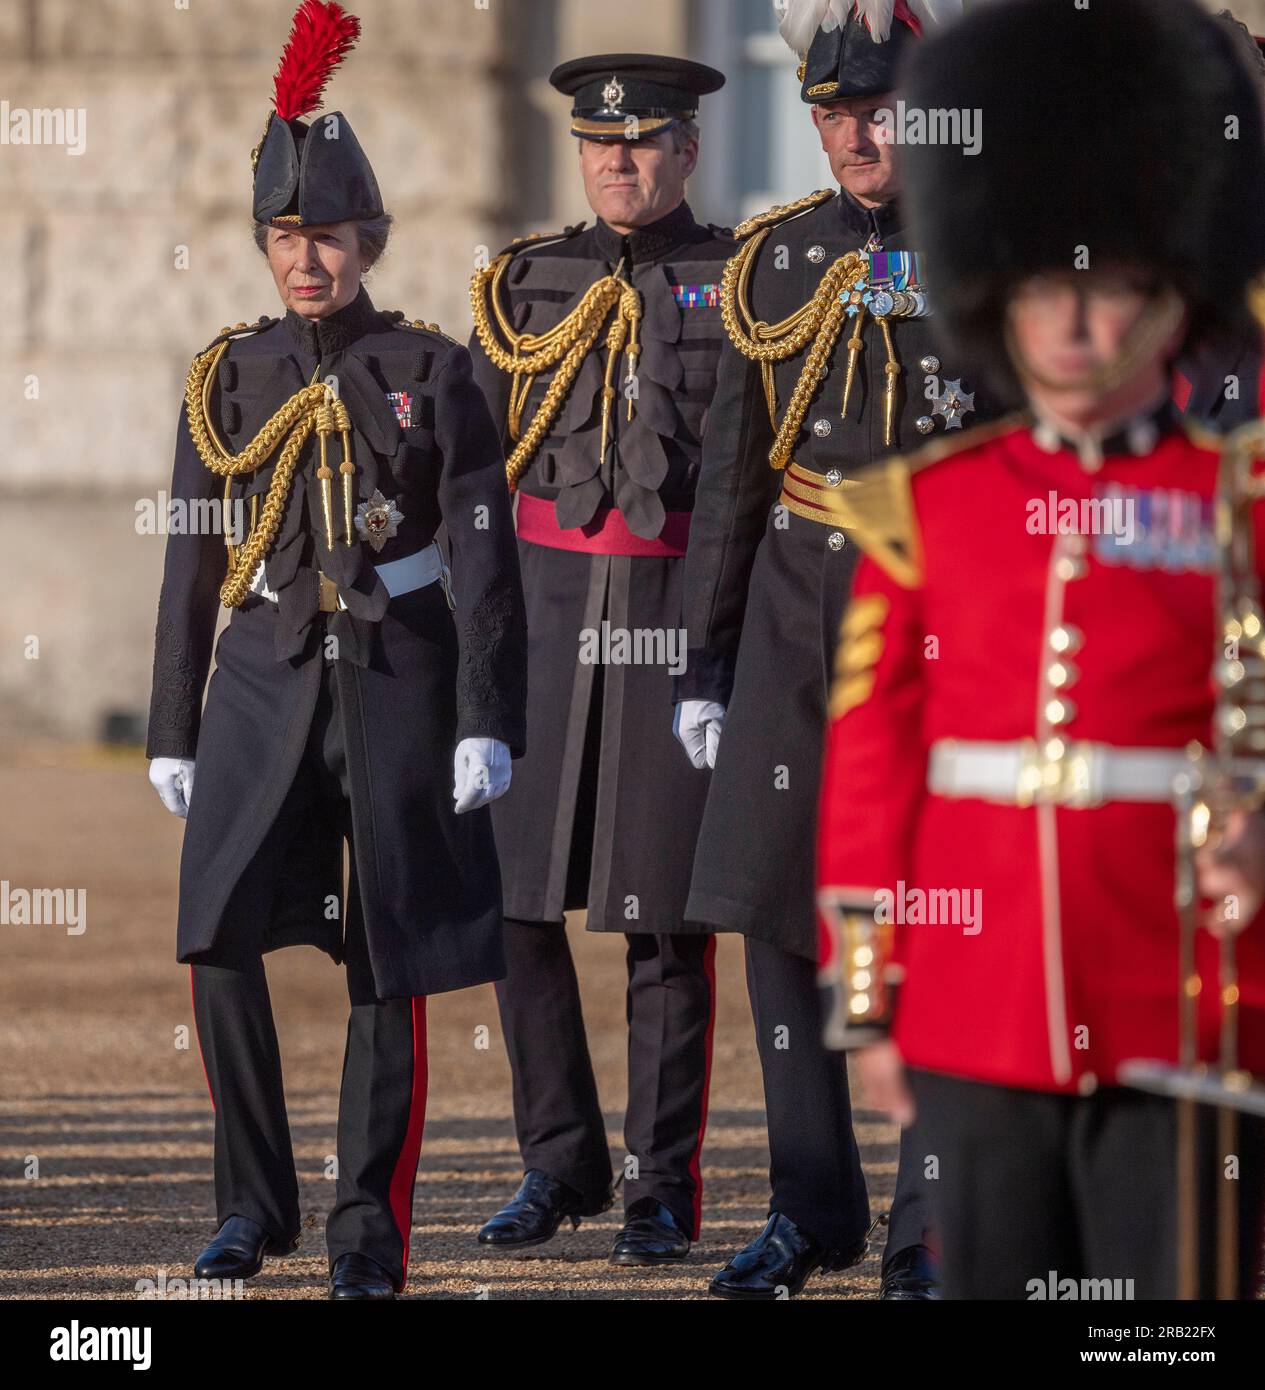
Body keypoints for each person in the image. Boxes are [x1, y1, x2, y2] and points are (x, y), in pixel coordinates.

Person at [816, 0, 1265, 1299]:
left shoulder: (1236, 503)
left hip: (1185, 993)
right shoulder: (930, 506)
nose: (1073, 324)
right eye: (1042, 288)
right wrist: (868, 1001)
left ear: (1172, 294)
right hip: (976, 997)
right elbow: (872, 764)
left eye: (1112, 284)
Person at [145, 0, 526, 1300]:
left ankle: (371, 1236)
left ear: (369, 239)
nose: (307, 258)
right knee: (215, 936)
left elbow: (485, 553)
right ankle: (250, 1208)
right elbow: (191, 562)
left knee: (391, 956)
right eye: (285, 235)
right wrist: (168, 727)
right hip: (259, 682)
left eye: (328, 235)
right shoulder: (224, 378)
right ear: (264, 244)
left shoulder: (439, 367)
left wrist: (490, 712)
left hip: (401, 678)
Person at [674, 0, 969, 1299]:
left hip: (937, 621)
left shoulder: (987, 252)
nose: (854, 133)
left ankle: (927, 1224)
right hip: (794, 616)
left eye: (879, 110)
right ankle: (811, 1205)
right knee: (772, 918)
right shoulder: (772, 261)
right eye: (833, 113)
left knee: (933, 920)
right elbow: (735, 479)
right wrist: (699, 659)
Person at [467, 55, 730, 1267]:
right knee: (519, 907)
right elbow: (476, 478)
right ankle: (554, 1162)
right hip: (543, 607)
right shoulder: (523, 282)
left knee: (664, 921)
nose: (618, 161)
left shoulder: (740, 279)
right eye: (597, 143)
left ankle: (657, 1187)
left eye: (642, 142)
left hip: (676, 604)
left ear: (686, 150)